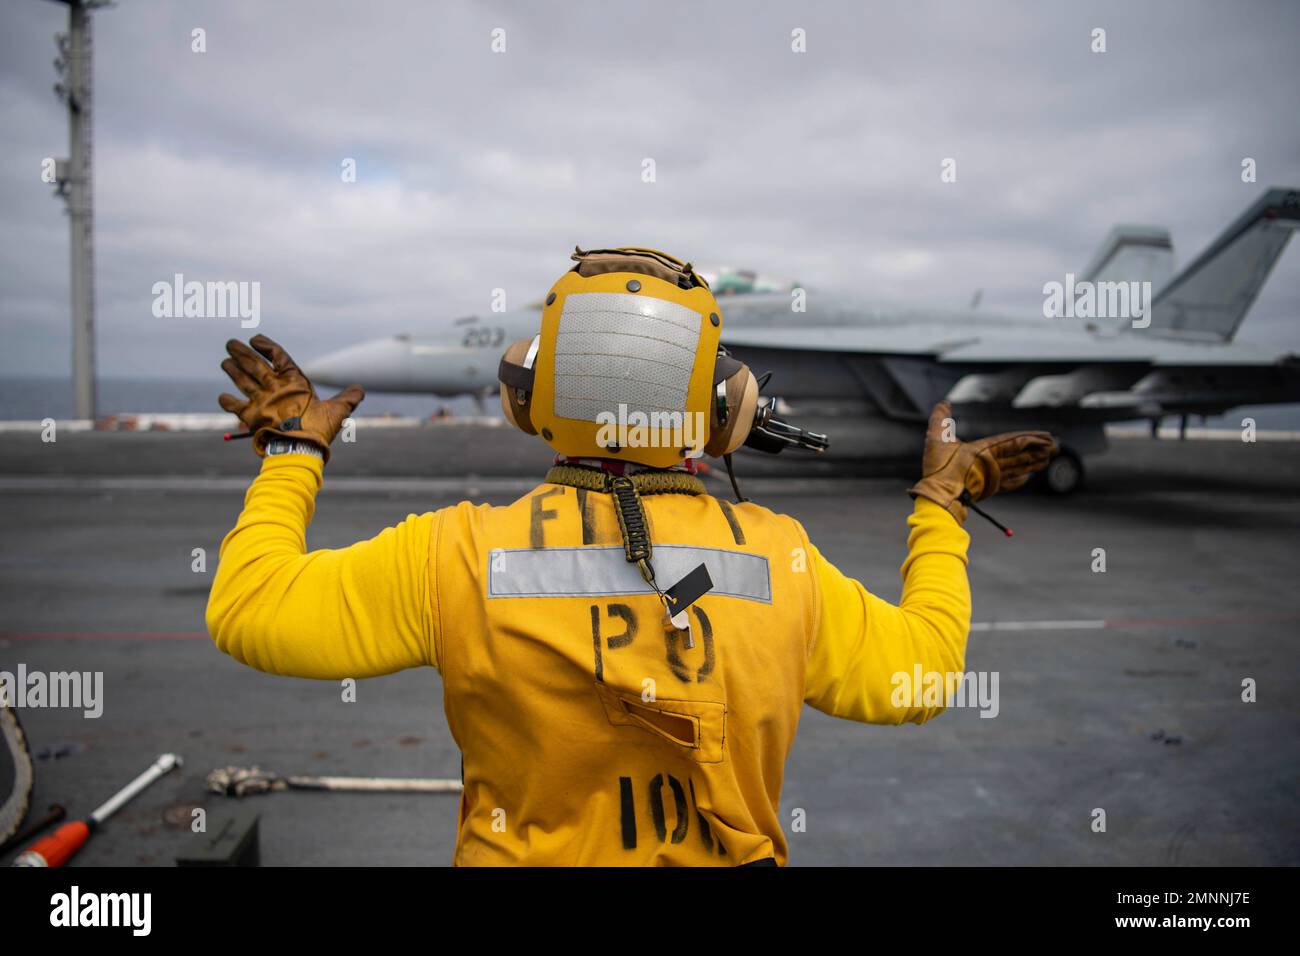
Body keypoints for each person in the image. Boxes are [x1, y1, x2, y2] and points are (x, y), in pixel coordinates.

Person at [206, 247, 1057, 866]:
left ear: (528, 396)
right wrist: (943, 507)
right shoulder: (783, 560)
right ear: (724, 415)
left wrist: (293, 456)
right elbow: (926, 674)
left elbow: (251, 611)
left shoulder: (453, 553)